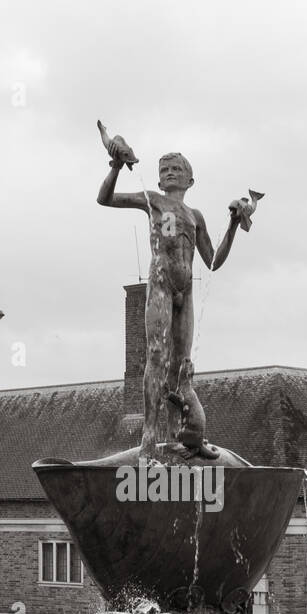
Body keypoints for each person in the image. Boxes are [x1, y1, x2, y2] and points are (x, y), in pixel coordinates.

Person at [97, 134, 246, 457]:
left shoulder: (196, 216)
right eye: (164, 168)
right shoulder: (153, 200)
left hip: (186, 288)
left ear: (191, 179)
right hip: (162, 283)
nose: (169, 172)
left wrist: (233, 224)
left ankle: (180, 438)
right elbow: (105, 199)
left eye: (177, 168)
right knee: (156, 358)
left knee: (182, 367)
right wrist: (117, 166)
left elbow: (214, 261)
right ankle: (149, 445)